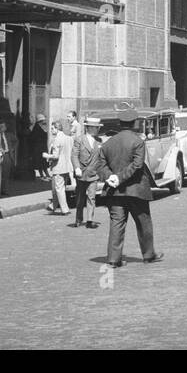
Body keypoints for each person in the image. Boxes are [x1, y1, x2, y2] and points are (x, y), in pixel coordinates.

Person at [90, 111, 165, 268]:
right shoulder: (137, 142)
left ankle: (113, 259)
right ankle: (148, 254)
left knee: (117, 223)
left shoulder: (109, 143)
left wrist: (110, 177)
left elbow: (100, 165)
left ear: (120, 124)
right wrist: (120, 177)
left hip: (115, 192)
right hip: (136, 190)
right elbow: (137, 165)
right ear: (134, 123)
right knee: (144, 223)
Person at [71, 116, 102, 229]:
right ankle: (78, 219)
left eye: (98, 128)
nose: (97, 130)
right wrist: (76, 168)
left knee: (91, 197)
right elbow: (74, 155)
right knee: (80, 197)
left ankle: (89, 220)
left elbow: (101, 157)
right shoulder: (79, 139)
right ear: (89, 128)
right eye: (96, 128)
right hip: (81, 174)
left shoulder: (99, 141)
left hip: (93, 174)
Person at [46, 119, 73, 216]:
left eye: (53, 128)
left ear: (57, 129)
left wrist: (47, 156)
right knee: (60, 188)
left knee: (59, 188)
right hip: (67, 166)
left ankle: (64, 209)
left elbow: (55, 156)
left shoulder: (57, 139)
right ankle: (54, 205)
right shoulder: (69, 138)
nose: (52, 130)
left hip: (58, 167)